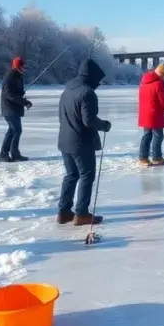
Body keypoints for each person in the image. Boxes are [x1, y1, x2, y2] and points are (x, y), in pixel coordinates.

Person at [57, 58, 112, 225]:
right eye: (98, 80)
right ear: (92, 77)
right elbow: (89, 120)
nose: (98, 84)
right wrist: (104, 125)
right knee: (87, 175)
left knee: (71, 175)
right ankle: (81, 213)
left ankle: (64, 211)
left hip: (65, 140)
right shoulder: (88, 93)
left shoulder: (68, 90)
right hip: (80, 142)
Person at [138, 63, 164, 167]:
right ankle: (157, 157)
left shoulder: (144, 82)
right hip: (155, 114)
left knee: (147, 135)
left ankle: (143, 158)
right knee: (158, 136)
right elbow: (163, 100)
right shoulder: (159, 83)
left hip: (145, 113)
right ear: (162, 74)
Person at [0, 56, 32, 162]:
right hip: (9, 108)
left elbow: (15, 92)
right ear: (18, 66)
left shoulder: (18, 76)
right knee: (15, 130)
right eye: (23, 66)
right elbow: (9, 94)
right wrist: (23, 101)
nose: (24, 68)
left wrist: (21, 95)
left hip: (14, 107)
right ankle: (4, 154)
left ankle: (14, 153)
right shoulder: (10, 76)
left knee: (13, 130)